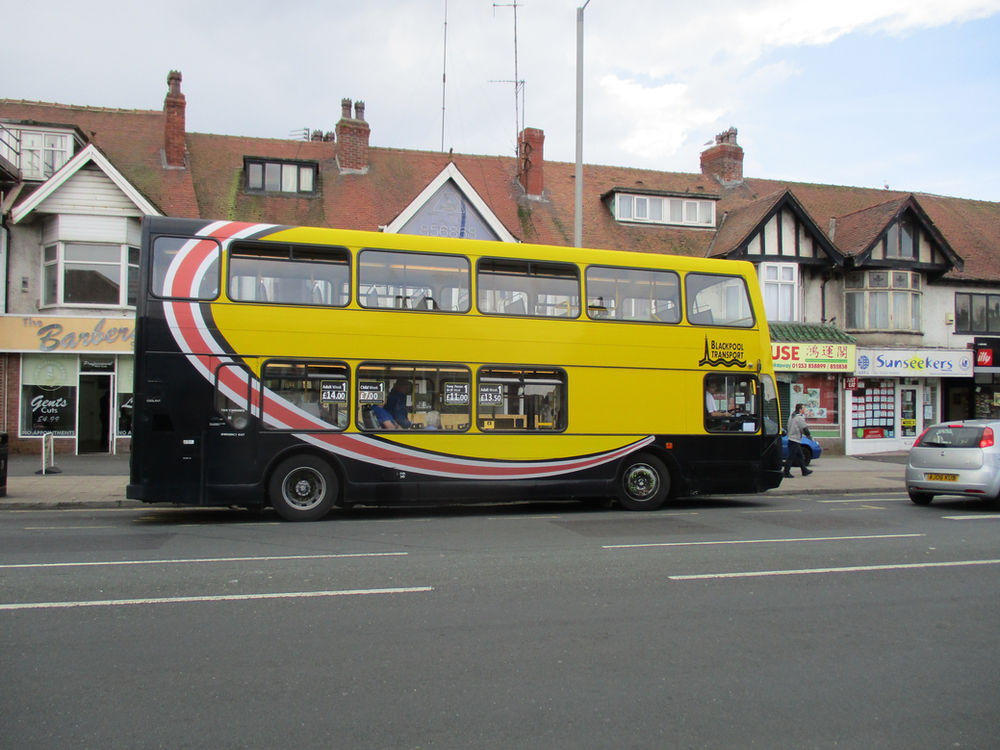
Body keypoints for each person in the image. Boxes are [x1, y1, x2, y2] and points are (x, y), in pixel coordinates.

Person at [783, 403, 813, 478]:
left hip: (791, 438)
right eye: (803, 408)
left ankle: (804, 470)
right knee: (791, 457)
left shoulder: (792, 416)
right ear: (800, 409)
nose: (804, 410)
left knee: (800, 456)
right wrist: (809, 436)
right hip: (795, 439)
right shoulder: (799, 417)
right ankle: (786, 472)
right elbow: (804, 428)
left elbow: (788, 426)